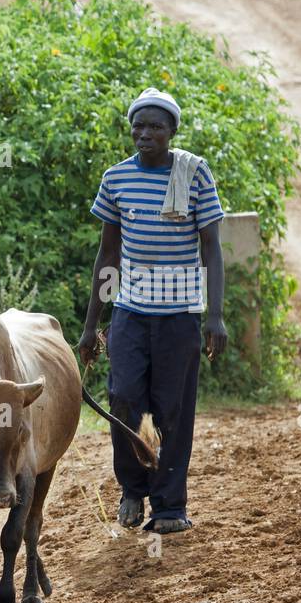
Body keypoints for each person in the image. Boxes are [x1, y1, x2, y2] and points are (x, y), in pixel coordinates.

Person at [78, 87, 228, 534]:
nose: (144, 134)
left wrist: (214, 316)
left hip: (180, 314)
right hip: (129, 311)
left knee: (172, 409)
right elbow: (108, 256)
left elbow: (213, 250)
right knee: (124, 397)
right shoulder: (116, 178)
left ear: (172, 132)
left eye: (155, 126)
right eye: (138, 126)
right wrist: (91, 328)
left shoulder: (194, 174)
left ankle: (168, 506)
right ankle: (132, 488)